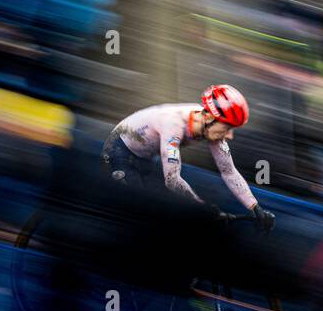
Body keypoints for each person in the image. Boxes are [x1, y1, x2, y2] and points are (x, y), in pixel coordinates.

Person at [100, 84, 275, 232]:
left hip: (143, 158)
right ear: (208, 117)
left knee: (164, 209)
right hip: (118, 152)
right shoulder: (173, 124)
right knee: (140, 213)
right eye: (228, 127)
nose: (229, 136)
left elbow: (229, 172)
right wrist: (201, 207)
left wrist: (255, 207)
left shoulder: (211, 128)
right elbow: (172, 180)